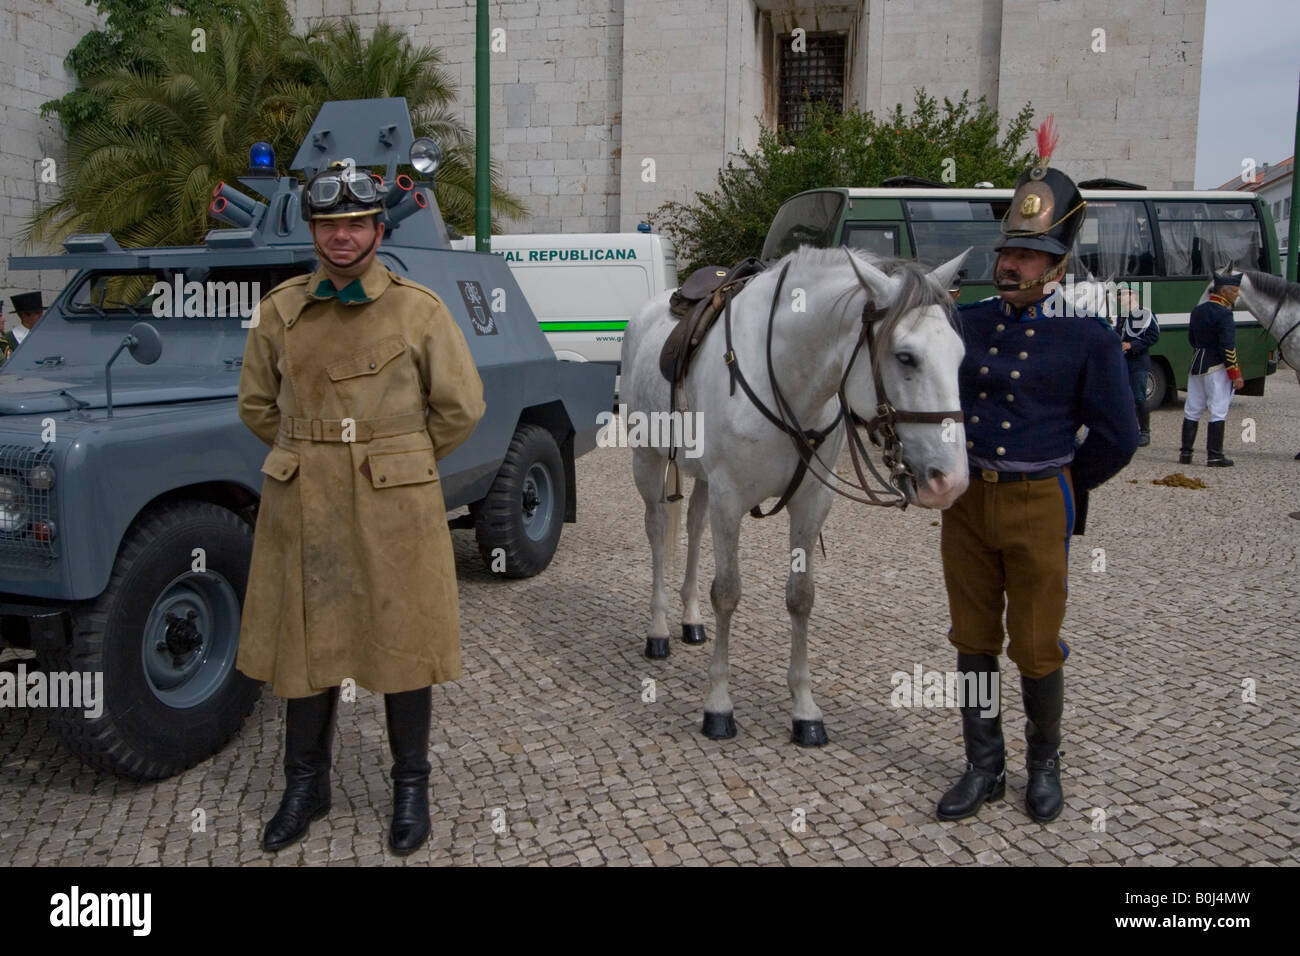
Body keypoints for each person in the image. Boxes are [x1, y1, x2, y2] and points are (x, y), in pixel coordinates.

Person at [236, 162, 486, 855]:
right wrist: (314, 452)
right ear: (312, 229)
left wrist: (400, 458)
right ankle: (304, 786)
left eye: (355, 225)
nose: (341, 237)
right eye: (328, 225)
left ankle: (411, 788)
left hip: (393, 505)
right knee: (305, 643)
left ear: (378, 229)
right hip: (303, 498)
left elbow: (461, 407)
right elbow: (256, 405)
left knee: (404, 644)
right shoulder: (280, 310)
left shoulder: (418, 310)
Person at [936, 154, 1138, 824]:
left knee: (1035, 642)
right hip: (967, 505)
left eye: (1030, 254)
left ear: (1058, 265)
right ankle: (983, 766)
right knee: (972, 638)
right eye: (1009, 250)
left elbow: (1119, 435)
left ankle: (1043, 768)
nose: (1012, 264)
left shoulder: (1087, 337)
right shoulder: (965, 322)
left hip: (1039, 502)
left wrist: (1065, 486)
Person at [1180, 272, 1243, 467]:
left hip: (1196, 364)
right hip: (1216, 367)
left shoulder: (1197, 310)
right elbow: (1227, 346)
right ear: (1223, 292)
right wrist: (1235, 373)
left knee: (1192, 410)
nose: (1237, 295)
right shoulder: (1224, 313)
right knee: (1218, 410)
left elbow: (1191, 339)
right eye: (1234, 291)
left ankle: (1186, 454)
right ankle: (1214, 455)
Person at [1115, 288, 1160, 446]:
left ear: (1133, 296)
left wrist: (1132, 345)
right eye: (1119, 295)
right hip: (1123, 362)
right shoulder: (1122, 316)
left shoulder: (1144, 314)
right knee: (1123, 398)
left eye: (1124, 294)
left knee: (1139, 397)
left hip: (1138, 362)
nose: (1120, 298)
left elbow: (1153, 336)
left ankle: (1145, 432)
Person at [3, 292, 44, 363]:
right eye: (37, 313)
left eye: (41, 312)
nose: (41, 316)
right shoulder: (8, 339)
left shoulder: (46, 335)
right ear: (25, 315)